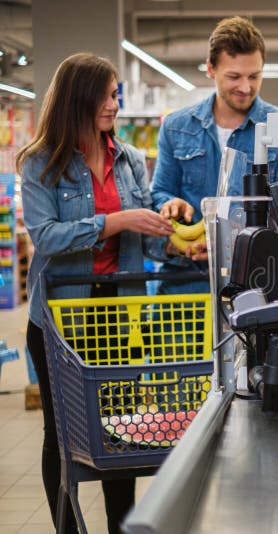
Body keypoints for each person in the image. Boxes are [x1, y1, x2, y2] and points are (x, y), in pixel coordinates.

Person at [18, 53, 173, 533]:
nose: (115, 105)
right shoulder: (40, 163)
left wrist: (166, 215)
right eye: (108, 95)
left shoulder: (129, 160)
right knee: (60, 436)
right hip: (62, 322)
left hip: (120, 315)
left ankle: (119, 527)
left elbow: (147, 237)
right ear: (81, 98)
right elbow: (45, 237)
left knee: (121, 431)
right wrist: (115, 221)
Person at [150, 16, 278, 294]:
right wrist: (171, 206)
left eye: (254, 76)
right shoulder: (177, 127)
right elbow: (161, 193)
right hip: (186, 286)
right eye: (234, 76)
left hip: (256, 286)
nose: (246, 87)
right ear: (211, 69)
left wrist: (229, 246)